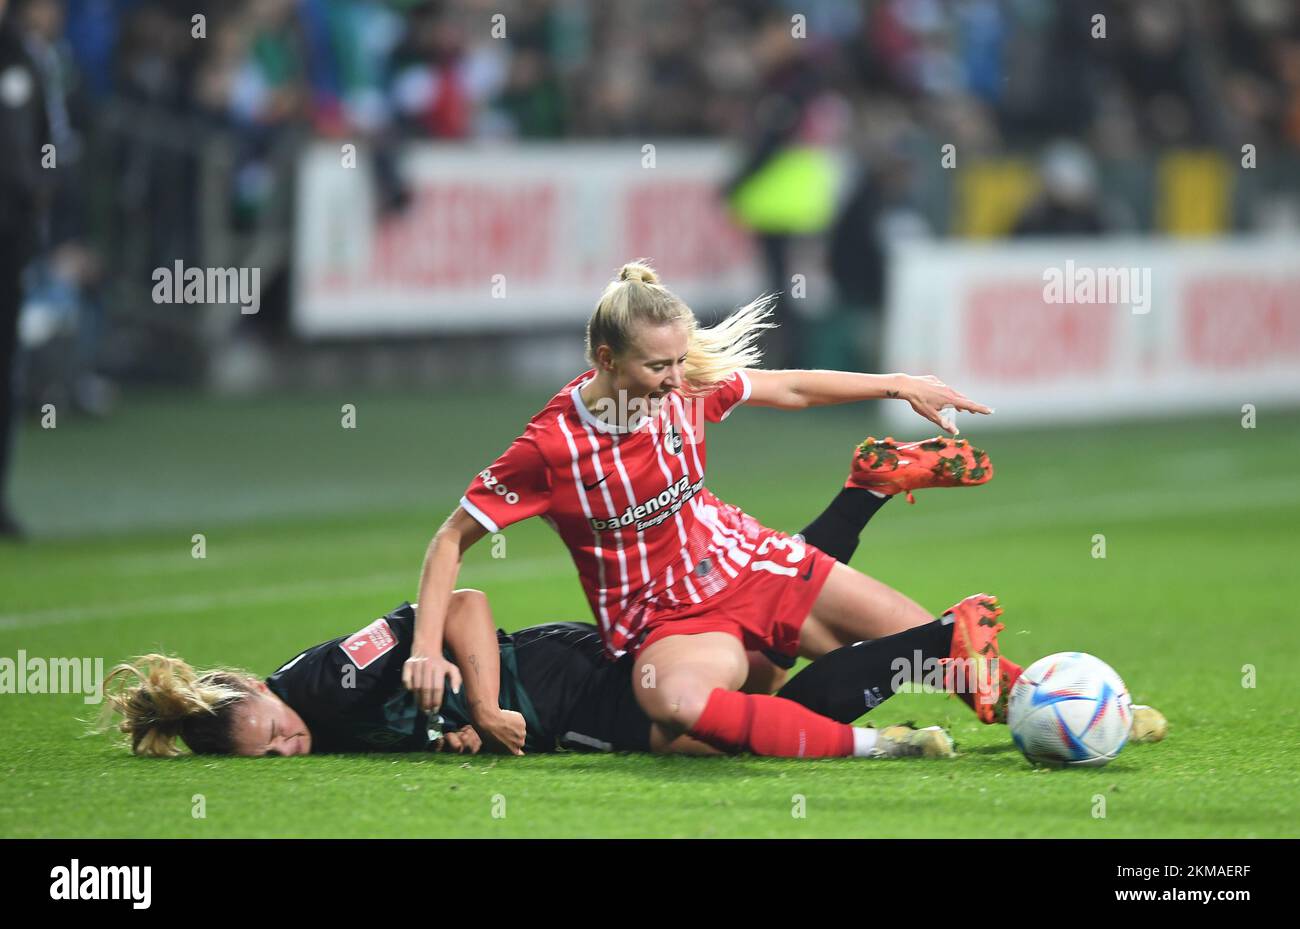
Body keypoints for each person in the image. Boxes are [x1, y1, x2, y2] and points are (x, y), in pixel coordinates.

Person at [405, 259, 1021, 761]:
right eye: (658, 366)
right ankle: (885, 723)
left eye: (680, 361)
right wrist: (426, 649)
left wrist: (897, 382)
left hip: (749, 563)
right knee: (680, 706)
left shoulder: (684, 384)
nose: (677, 380)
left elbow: (792, 387)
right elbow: (451, 538)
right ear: (605, 359)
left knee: (935, 657)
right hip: (666, 621)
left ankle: (1061, 710)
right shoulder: (550, 448)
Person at [100, 467, 989, 759]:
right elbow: (416, 701)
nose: (291, 745)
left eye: (276, 729)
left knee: (728, 726)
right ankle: (864, 501)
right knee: (762, 659)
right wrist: (451, 728)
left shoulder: (320, 678)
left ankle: (931, 657)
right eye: (273, 754)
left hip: (557, 686)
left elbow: (465, 606)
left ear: (257, 687)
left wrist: (482, 704)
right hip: (564, 674)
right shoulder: (322, 717)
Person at [0, 0, 53, 538]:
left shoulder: (23, 53)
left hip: (9, 244)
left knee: (4, 377)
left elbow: (44, 144)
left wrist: (40, 199)